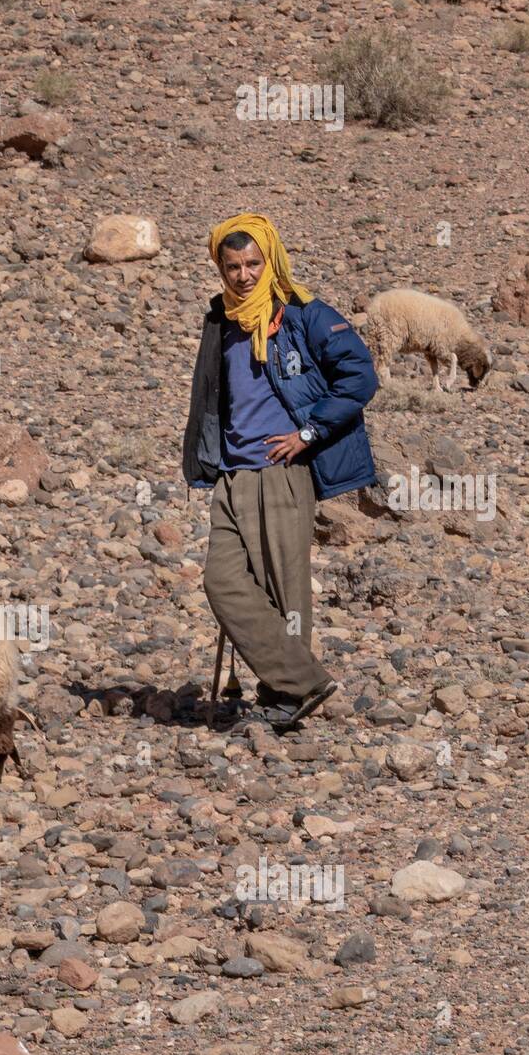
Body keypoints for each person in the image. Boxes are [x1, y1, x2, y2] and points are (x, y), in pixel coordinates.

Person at [183, 213, 379, 731]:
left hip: (280, 471)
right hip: (230, 474)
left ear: (269, 260)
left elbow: (359, 374)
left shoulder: (302, 314)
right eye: (233, 266)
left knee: (285, 590)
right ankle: (302, 680)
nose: (244, 275)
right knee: (221, 581)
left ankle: (284, 698)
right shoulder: (221, 320)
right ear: (219, 268)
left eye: (253, 263)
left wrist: (310, 433)